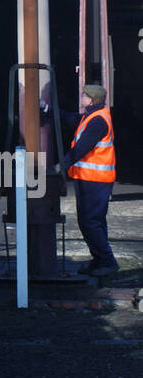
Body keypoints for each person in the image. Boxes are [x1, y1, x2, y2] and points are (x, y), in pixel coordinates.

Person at [60, 84, 119, 278]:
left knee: (90, 222)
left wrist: (60, 166)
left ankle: (107, 262)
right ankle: (100, 259)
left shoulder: (98, 121)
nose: (81, 97)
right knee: (92, 221)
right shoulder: (92, 116)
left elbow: (82, 148)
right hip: (90, 179)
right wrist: (46, 108)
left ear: (91, 100)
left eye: (84, 95)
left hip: (96, 181)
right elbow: (71, 119)